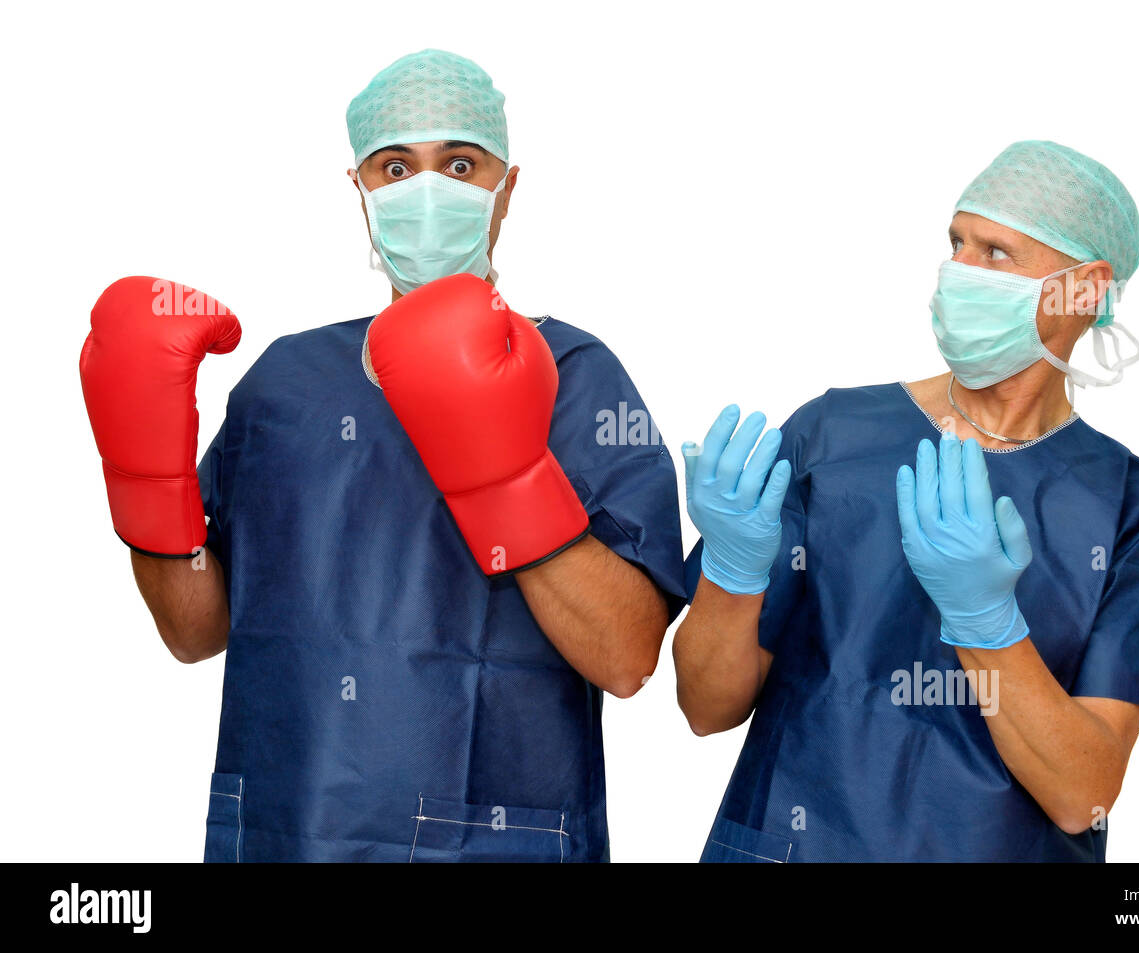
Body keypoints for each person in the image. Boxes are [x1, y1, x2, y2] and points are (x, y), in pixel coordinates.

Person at [79, 49, 685, 862]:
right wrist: (143, 479)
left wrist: (508, 473)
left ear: (507, 192)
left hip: (495, 837)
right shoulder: (284, 382)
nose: (426, 191)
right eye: (395, 165)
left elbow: (626, 655)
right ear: (360, 191)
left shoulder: (573, 377)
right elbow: (195, 631)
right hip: (290, 829)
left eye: (459, 164)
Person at [674, 141, 1139, 862]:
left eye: (997, 252)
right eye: (956, 243)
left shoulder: (1125, 504)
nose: (961, 272)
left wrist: (987, 623)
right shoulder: (833, 434)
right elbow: (706, 708)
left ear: (1085, 289)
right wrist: (730, 574)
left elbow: (1085, 793)